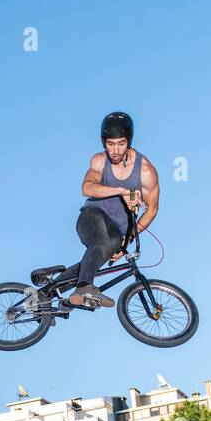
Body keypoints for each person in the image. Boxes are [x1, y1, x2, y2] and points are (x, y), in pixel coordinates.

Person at [70, 111, 160, 309]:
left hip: (119, 231)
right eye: (111, 144)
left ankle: (48, 292)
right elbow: (87, 187)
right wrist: (120, 191)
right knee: (99, 242)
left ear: (128, 141)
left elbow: (152, 210)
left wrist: (127, 241)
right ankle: (84, 288)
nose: (116, 150)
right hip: (93, 216)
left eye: (121, 143)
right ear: (104, 143)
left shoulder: (145, 171)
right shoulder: (99, 161)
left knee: (95, 259)